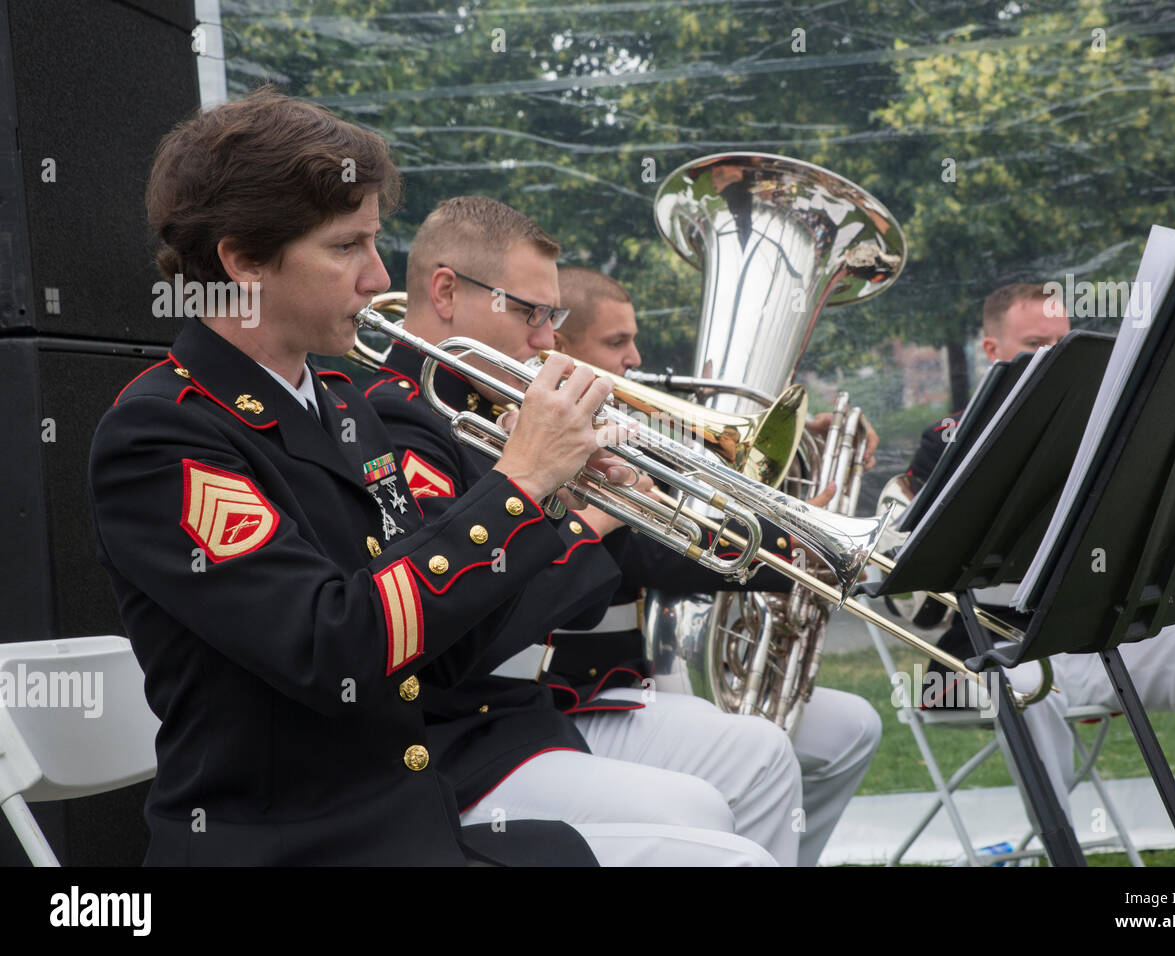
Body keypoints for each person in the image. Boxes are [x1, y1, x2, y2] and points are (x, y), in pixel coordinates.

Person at [90, 88, 767, 867]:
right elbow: (332, 645)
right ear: (242, 261)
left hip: (411, 826)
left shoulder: (337, 399)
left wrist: (556, 501)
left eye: (374, 243)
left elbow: (438, 650)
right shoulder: (161, 432)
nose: (379, 277)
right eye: (347, 247)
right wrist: (517, 484)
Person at [364, 196, 802, 865]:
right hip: (460, 742)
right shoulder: (397, 420)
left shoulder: (492, 407)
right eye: (530, 312)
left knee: (762, 760)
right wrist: (583, 512)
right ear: (447, 291)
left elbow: (587, 585)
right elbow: (459, 629)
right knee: (704, 813)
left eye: (554, 315)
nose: (546, 338)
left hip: (521, 719)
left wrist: (609, 491)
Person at [909, 281, 1175, 865]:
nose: (1053, 361)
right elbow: (930, 579)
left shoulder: (1109, 433)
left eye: (1066, 347)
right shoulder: (948, 439)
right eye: (1035, 344)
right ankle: (1062, 849)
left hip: (1092, 637)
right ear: (991, 350)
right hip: (995, 651)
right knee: (1030, 686)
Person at [553, 266, 884, 867]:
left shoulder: (628, 427)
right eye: (615, 342)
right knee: (757, 754)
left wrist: (805, 455)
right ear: (558, 344)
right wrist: (795, 539)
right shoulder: (566, 441)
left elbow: (725, 484)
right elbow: (666, 553)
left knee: (854, 728)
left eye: (632, 339)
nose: (635, 356)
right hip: (589, 696)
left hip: (656, 682)